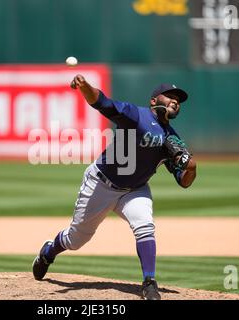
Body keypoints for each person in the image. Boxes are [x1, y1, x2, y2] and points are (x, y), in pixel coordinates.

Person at [32, 74, 197, 300]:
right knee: (76, 239)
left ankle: (149, 282)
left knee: (145, 225)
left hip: (135, 189)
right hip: (101, 183)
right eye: (170, 96)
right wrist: (85, 87)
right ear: (153, 101)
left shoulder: (173, 140)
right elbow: (104, 103)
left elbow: (183, 182)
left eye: (179, 100)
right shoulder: (135, 115)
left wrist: (192, 169)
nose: (175, 101)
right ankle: (48, 252)